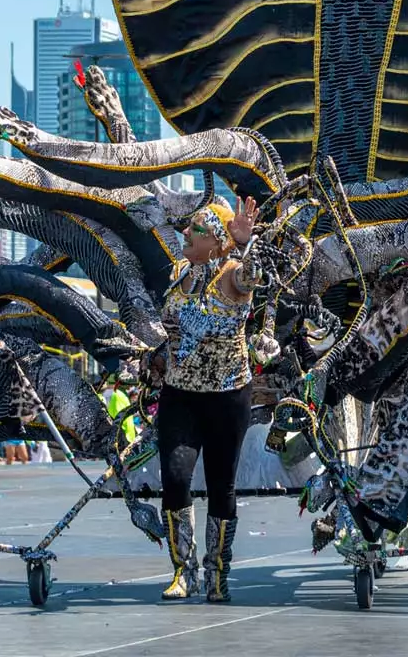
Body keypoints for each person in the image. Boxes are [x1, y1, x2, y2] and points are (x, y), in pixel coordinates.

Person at [150, 196, 257, 604]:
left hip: (227, 396)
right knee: (175, 477)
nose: (185, 233)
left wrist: (244, 244)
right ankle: (184, 570)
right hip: (181, 393)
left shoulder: (233, 275)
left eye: (194, 228)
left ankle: (217, 574)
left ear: (215, 240)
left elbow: (255, 277)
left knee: (220, 485)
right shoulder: (180, 273)